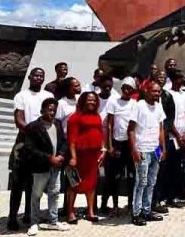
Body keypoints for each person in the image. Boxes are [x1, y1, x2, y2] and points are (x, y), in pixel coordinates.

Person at [8, 68, 54, 231]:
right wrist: (32, 132)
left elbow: (51, 115)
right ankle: (12, 217)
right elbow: (19, 119)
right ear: (30, 77)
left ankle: (29, 214)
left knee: (33, 183)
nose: (38, 78)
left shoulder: (48, 96)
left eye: (41, 76)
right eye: (35, 75)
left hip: (42, 143)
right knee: (17, 182)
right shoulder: (21, 96)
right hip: (24, 140)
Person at [22, 97, 69, 236]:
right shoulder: (33, 127)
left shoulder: (58, 124)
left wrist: (61, 155)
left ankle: (53, 221)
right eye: (49, 110)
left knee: (54, 193)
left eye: (54, 110)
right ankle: (34, 223)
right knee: (36, 194)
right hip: (40, 168)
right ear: (42, 110)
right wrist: (49, 158)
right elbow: (30, 149)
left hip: (56, 167)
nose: (52, 112)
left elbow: (64, 142)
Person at [128, 81, 167, 226]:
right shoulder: (139, 106)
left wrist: (163, 149)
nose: (157, 94)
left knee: (151, 182)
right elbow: (131, 129)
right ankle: (136, 213)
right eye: (154, 91)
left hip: (155, 149)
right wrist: (134, 150)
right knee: (141, 182)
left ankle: (147, 210)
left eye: (158, 91)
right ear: (146, 91)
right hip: (142, 149)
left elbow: (161, 129)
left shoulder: (159, 106)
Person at [66, 92, 105, 225]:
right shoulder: (75, 117)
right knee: (74, 184)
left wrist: (103, 150)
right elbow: (71, 139)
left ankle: (90, 212)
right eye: (89, 100)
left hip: (93, 155)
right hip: (79, 155)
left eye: (94, 100)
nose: (92, 102)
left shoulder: (97, 116)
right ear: (83, 101)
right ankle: (70, 212)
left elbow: (101, 133)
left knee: (92, 184)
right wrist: (73, 157)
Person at [102, 76, 137, 217]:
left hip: (130, 143)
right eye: (125, 88)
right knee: (115, 176)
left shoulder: (135, 104)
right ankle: (115, 205)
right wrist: (109, 146)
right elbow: (109, 125)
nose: (127, 91)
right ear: (121, 88)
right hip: (117, 142)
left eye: (130, 89)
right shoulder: (113, 102)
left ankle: (130, 204)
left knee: (131, 176)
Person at [158, 71, 185, 208]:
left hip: (183, 137)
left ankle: (174, 196)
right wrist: (177, 135)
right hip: (171, 136)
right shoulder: (168, 94)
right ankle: (163, 197)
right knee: (167, 168)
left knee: (177, 168)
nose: (182, 81)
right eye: (179, 79)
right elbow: (168, 118)